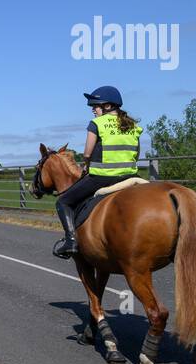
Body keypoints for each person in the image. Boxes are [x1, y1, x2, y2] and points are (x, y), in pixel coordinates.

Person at [53, 85, 143, 258]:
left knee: (63, 202)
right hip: (131, 176)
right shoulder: (133, 125)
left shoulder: (96, 124)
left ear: (107, 106)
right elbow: (136, 154)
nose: (93, 110)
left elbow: (87, 153)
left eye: (95, 106)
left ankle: (71, 241)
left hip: (103, 178)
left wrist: (87, 164)